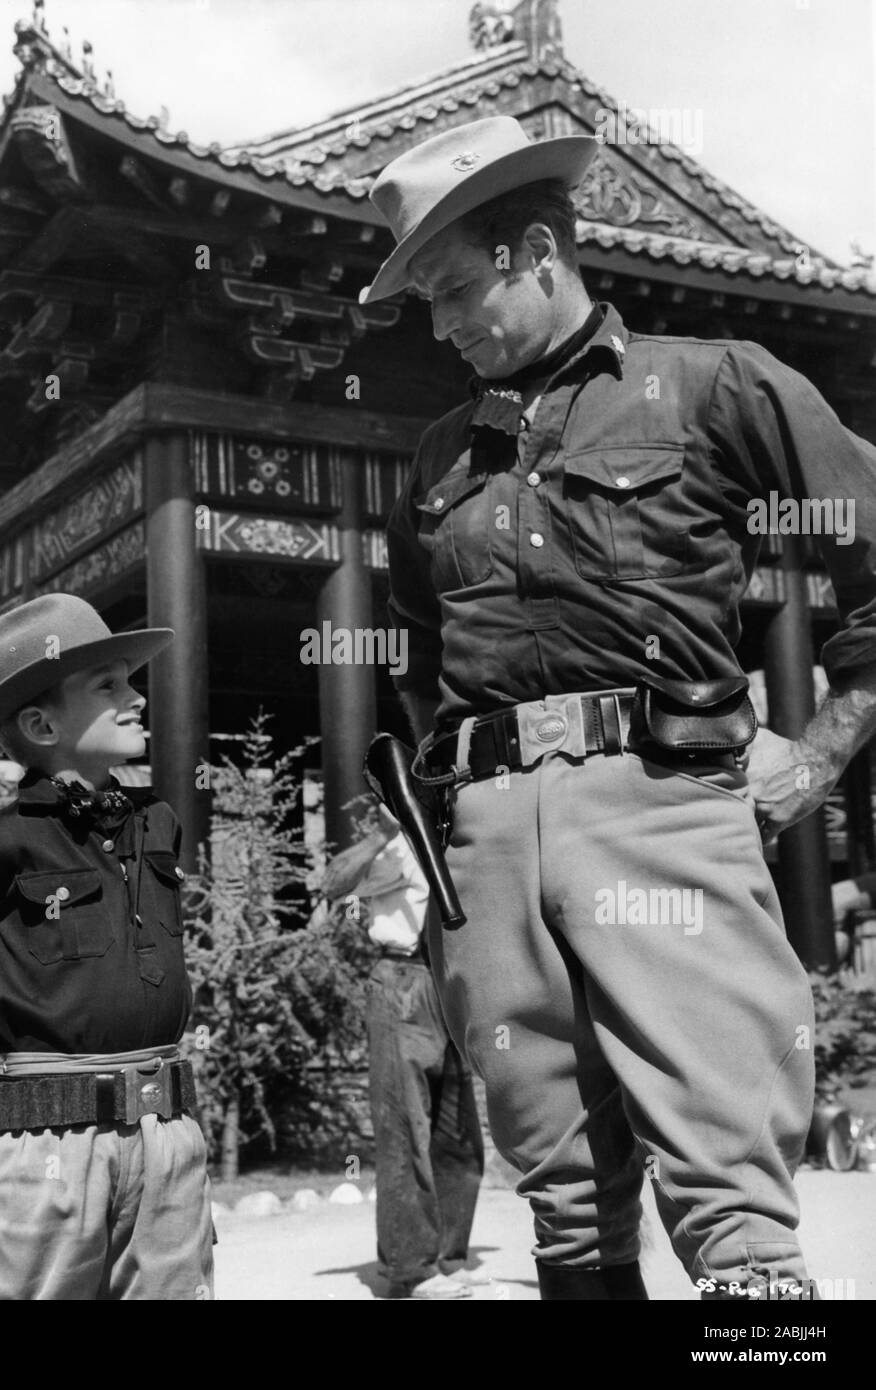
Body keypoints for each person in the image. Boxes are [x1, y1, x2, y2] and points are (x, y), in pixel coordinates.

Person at [362, 115, 876, 1301]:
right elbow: (424, 664)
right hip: (489, 848)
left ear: (535, 249)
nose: (438, 332)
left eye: (449, 295)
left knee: (733, 1203)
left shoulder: (715, 383)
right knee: (567, 1212)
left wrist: (824, 748)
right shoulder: (440, 462)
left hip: (664, 806)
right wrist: (434, 827)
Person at [0, 593, 214, 1300]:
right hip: (48, 1143)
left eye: (128, 681)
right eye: (109, 686)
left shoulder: (155, 823)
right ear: (40, 722)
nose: (136, 699)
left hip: (166, 1135)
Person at [324, 805, 484, 1299]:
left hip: (452, 984)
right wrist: (381, 834)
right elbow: (333, 885)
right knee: (403, 1129)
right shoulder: (389, 844)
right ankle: (410, 1272)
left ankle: (448, 1259)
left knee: (459, 1135)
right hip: (401, 981)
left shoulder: (460, 836)